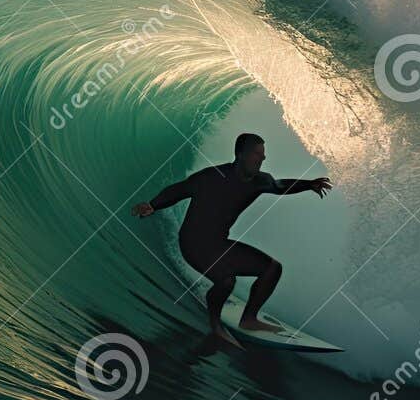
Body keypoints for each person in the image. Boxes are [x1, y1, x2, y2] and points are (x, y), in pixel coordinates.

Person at [134, 134, 331, 342]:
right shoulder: (211, 176)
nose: (262, 159)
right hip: (192, 244)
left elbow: (280, 186)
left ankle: (249, 319)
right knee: (226, 280)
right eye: (257, 154)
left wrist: (309, 184)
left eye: (263, 155)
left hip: (219, 245)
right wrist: (153, 205)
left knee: (272, 268)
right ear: (240, 154)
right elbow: (179, 190)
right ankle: (215, 324)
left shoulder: (260, 181)